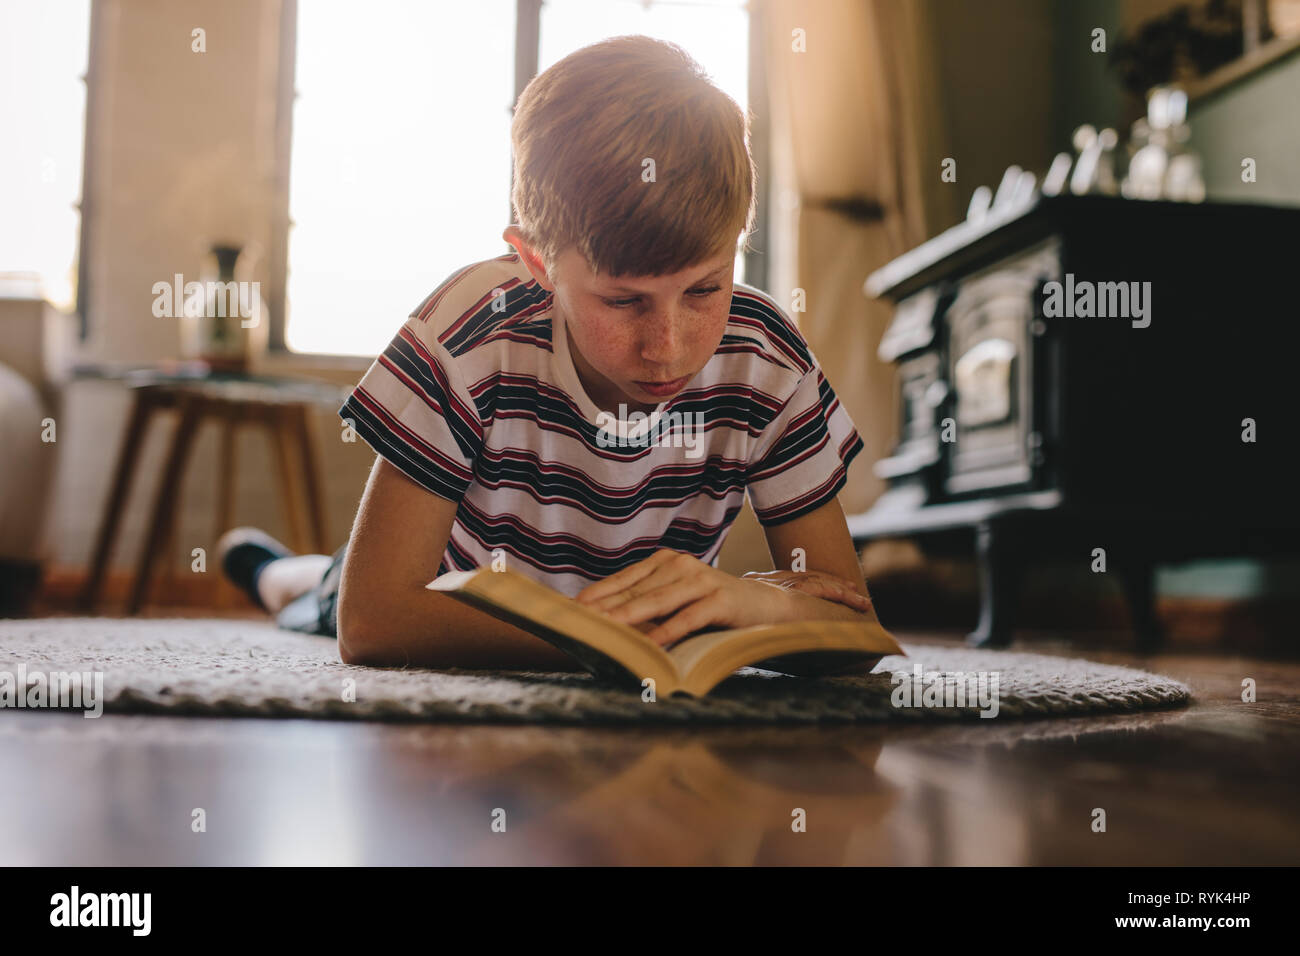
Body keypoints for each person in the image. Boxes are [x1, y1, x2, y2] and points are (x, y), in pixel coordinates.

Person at [218, 34, 877, 671]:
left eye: (705, 289)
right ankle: (274, 573)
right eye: (623, 302)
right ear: (536, 262)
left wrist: (750, 602)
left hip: (621, 615)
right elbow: (370, 621)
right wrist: (592, 638)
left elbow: (855, 624)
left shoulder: (767, 357)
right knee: (322, 592)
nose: (667, 349)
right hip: (459, 597)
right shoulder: (470, 333)